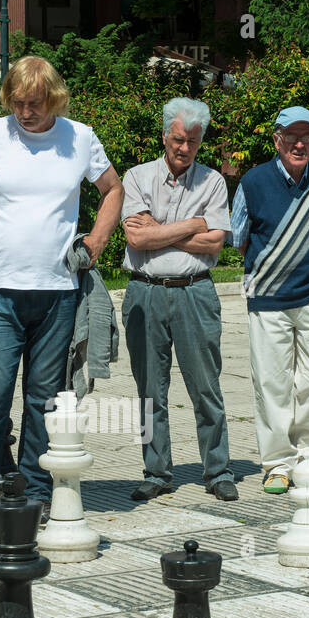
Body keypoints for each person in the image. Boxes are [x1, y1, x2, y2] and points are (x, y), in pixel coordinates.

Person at [0, 55, 123, 537]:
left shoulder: (80, 137)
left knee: (42, 400)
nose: (24, 112)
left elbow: (113, 189)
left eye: (33, 104)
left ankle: (36, 493)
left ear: (53, 99)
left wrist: (97, 238)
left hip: (57, 292)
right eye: (17, 103)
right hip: (0, 292)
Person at [121, 97, 236, 502]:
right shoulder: (135, 177)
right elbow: (136, 237)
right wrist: (193, 225)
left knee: (205, 386)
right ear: (164, 134)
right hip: (144, 292)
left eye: (192, 141)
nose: (183, 148)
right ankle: (156, 472)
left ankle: (218, 470)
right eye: (177, 139)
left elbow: (216, 242)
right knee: (150, 390)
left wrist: (161, 228)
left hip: (195, 292)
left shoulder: (214, 182)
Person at [230, 106, 309, 494]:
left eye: (307, 136)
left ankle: (308, 456)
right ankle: (278, 463)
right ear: (277, 140)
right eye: (291, 136)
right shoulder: (252, 181)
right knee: (271, 383)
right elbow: (239, 238)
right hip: (267, 299)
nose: (299, 143)